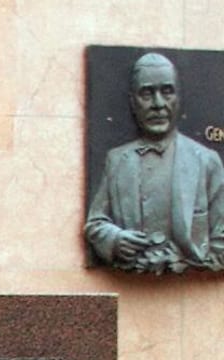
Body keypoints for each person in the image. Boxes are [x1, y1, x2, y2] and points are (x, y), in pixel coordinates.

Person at [85, 52, 224, 274]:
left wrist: (182, 262)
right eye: (147, 94)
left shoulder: (206, 162)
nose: (158, 104)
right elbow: (95, 223)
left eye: (167, 92)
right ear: (132, 101)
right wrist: (115, 240)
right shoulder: (117, 161)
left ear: (178, 97)